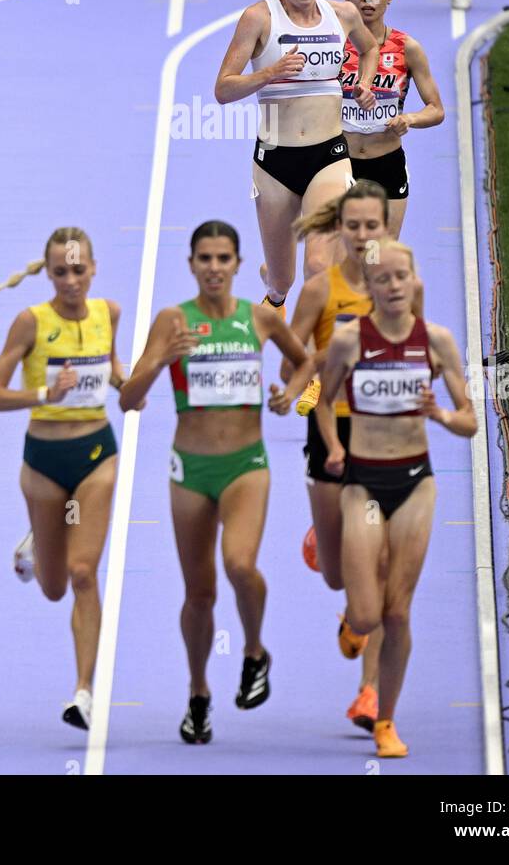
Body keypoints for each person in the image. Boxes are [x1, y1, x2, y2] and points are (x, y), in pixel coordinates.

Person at [119, 220, 314, 744]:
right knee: (199, 594)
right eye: (204, 259)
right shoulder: (171, 321)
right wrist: (160, 358)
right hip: (190, 470)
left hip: (245, 465)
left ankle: (254, 651)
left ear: (236, 264)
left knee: (240, 565)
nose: (213, 268)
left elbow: (306, 362)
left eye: (223, 258)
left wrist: (288, 393)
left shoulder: (259, 319)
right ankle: (199, 692)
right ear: (191, 265)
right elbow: (128, 400)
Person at [316, 238, 476, 757]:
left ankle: (385, 721)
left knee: (398, 611)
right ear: (370, 286)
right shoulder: (348, 339)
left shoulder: (437, 342)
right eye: (380, 278)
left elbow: (470, 421)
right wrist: (336, 445)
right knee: (367, 611)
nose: (391, 286)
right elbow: (322, 397)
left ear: (414, 281)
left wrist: (441, 416)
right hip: (362, 481)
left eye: (399, 277)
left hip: (415, 483)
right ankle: (351, 624)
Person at [282, 181, 425, 732]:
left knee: (385, 572)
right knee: (340, 576)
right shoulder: (319, 291)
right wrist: (311, 385)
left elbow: (417, 358)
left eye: (374, 226)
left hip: (385, 440)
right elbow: (294, 370)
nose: (365, 235)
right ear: (338, 228)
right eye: (354, 225)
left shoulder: (405, 289)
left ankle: (369, 695)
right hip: (329, 437)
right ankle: (331, 556)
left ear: (388, 228)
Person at [0, 227, 125, 731]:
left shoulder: (109, 313)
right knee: (53, 588)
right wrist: (44, 392)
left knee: (85, 573)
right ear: (48, 273)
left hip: (96, 454)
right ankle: (39, 548)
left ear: (93, 268)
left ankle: (84, 693)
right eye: (61, 272)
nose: (71, 281)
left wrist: (129, 380)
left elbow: (110, 369)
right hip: (43, 461)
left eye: (78, 270)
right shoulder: (29, 323)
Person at [212, 0, 378, 313]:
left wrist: (364, 83)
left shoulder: (343, 15)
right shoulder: (259, 18)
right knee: (283, 280)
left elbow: (370, 48)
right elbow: (223, 89)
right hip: (275, 162)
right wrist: (269, 73)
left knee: (319, 265)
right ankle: (274, 285)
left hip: (329, 156)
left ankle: (311, 369)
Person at [339, 0, 444, 237]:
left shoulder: (407, 48)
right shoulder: (333, 45)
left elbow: (436, 109)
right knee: (335, 257)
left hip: (385, 164)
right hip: (337, 163)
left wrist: (408, 119)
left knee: (377, 257)